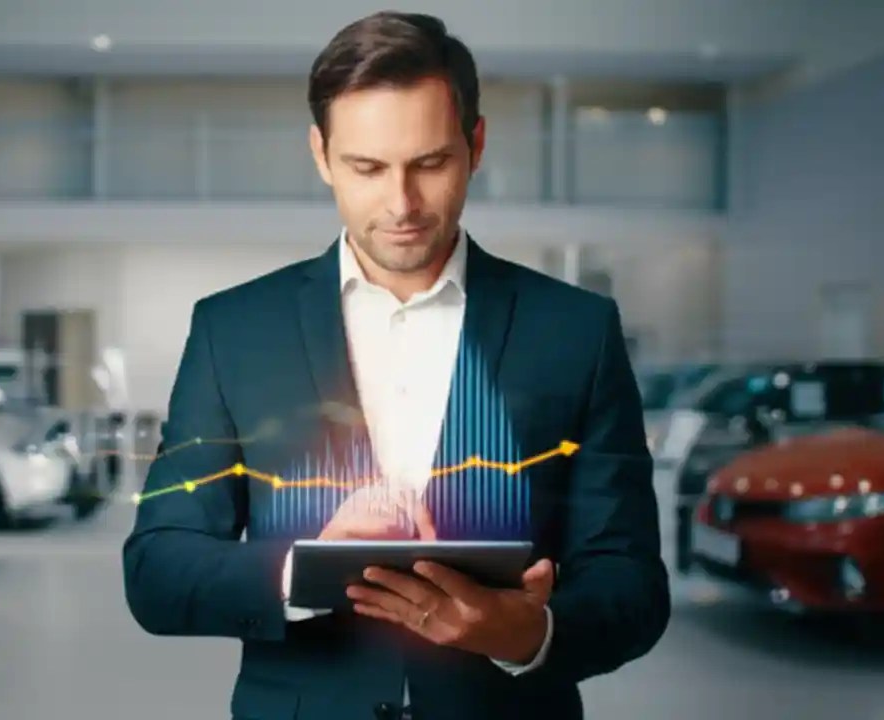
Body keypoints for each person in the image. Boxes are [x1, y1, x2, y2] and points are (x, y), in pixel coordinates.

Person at [123, 11, 670, 720]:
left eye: (430, 163)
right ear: (321, 154)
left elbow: (631, 582)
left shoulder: (576, 331)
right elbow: (157, 571)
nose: (402, 204)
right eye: (367, 168)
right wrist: (302, 567)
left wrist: (528, 632)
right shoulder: (232, 329)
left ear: (475, 144)